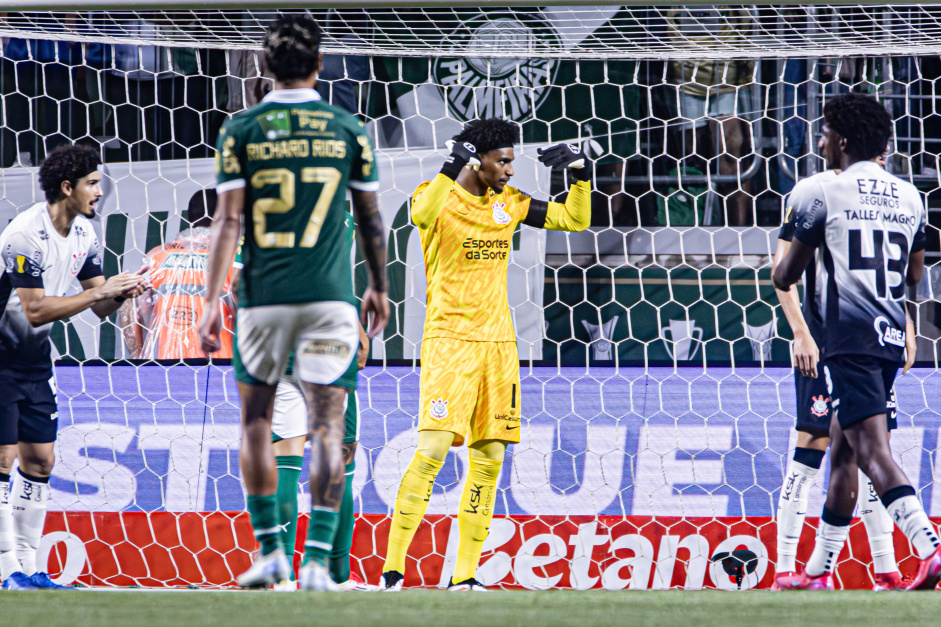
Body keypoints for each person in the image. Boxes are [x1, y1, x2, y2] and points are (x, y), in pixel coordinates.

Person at [198, 14, 388, 592]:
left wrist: (211, 299)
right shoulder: (348, 127)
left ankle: (272, 552)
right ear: (320, 63)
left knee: (258, 423)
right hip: (330, 298)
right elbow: (370, 218)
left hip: (262, 300)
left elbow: (227, 220)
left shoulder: (242, 129)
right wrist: (377, 286)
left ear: (264, 65)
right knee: (328, 427)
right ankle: (320, 563)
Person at [379, 119, 592, 591]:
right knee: (432, 450)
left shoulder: (508, 205)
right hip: (449, 341)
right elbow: (421, 216)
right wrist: (454, 159)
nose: (511, 170)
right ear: (478, 160)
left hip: (498, 346)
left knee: (490, 458)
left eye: (511, 161)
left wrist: (580, 175)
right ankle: (393, 569)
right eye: (503, 161)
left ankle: (465, 576)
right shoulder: (433, 196)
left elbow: (574, 220)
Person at [772, 92, 941, 591]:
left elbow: (784, 273)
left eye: (824, 133)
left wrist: (818, 246)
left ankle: (929, 548)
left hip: (845, 337)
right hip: (890, 335)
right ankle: (818, 572)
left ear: (842, 140)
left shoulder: (820, 191)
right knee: (843, 453)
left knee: (871, 450)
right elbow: (913, 274)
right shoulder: (910, 196)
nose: (820, 141)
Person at [0, 144, 148, 590]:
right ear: (67, 188)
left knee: (40, 463)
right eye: (93, 183)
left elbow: (98, 304)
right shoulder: (24, 233)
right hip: (1, 362)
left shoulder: (85, 233)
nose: (100, 192)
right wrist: (96, 294)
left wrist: (123, 290)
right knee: (4, 463)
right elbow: (34, 311)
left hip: (35, 363)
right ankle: (6, 570)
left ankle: (24, 569)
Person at [120, 188, 236, 360]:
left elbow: (129, 308)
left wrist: (139, 356)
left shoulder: (157, 255)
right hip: (221, 365)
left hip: (168, 364)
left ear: (189, 218)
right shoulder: (233, 258)